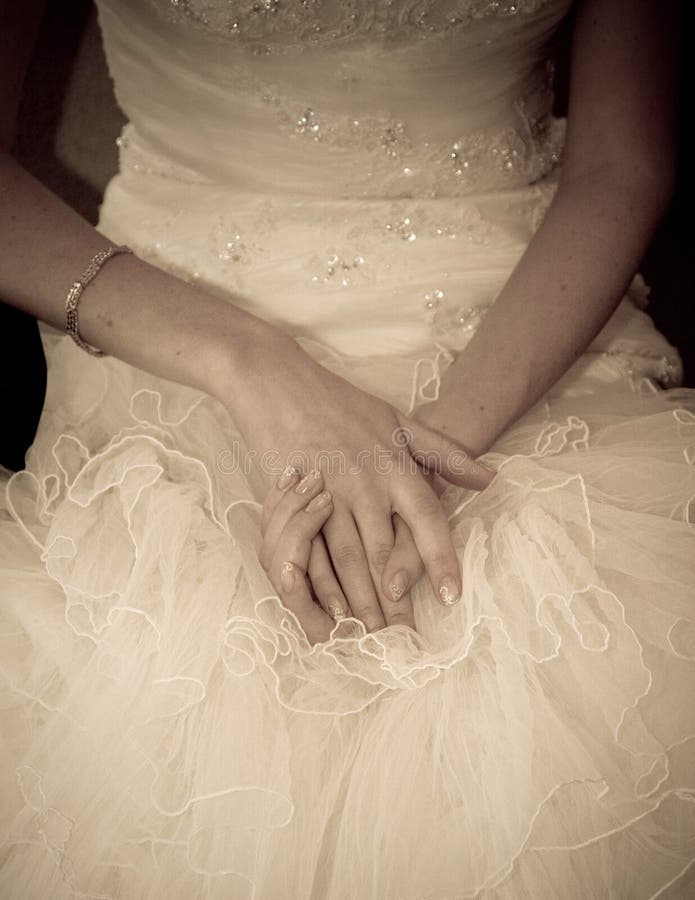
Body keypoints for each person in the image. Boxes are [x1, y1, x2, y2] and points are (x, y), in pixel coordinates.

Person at [1, 0, 694, 896]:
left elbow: (619, 164)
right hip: (170, 336)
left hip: (521, 336)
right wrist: (252, 366)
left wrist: (427, 448)